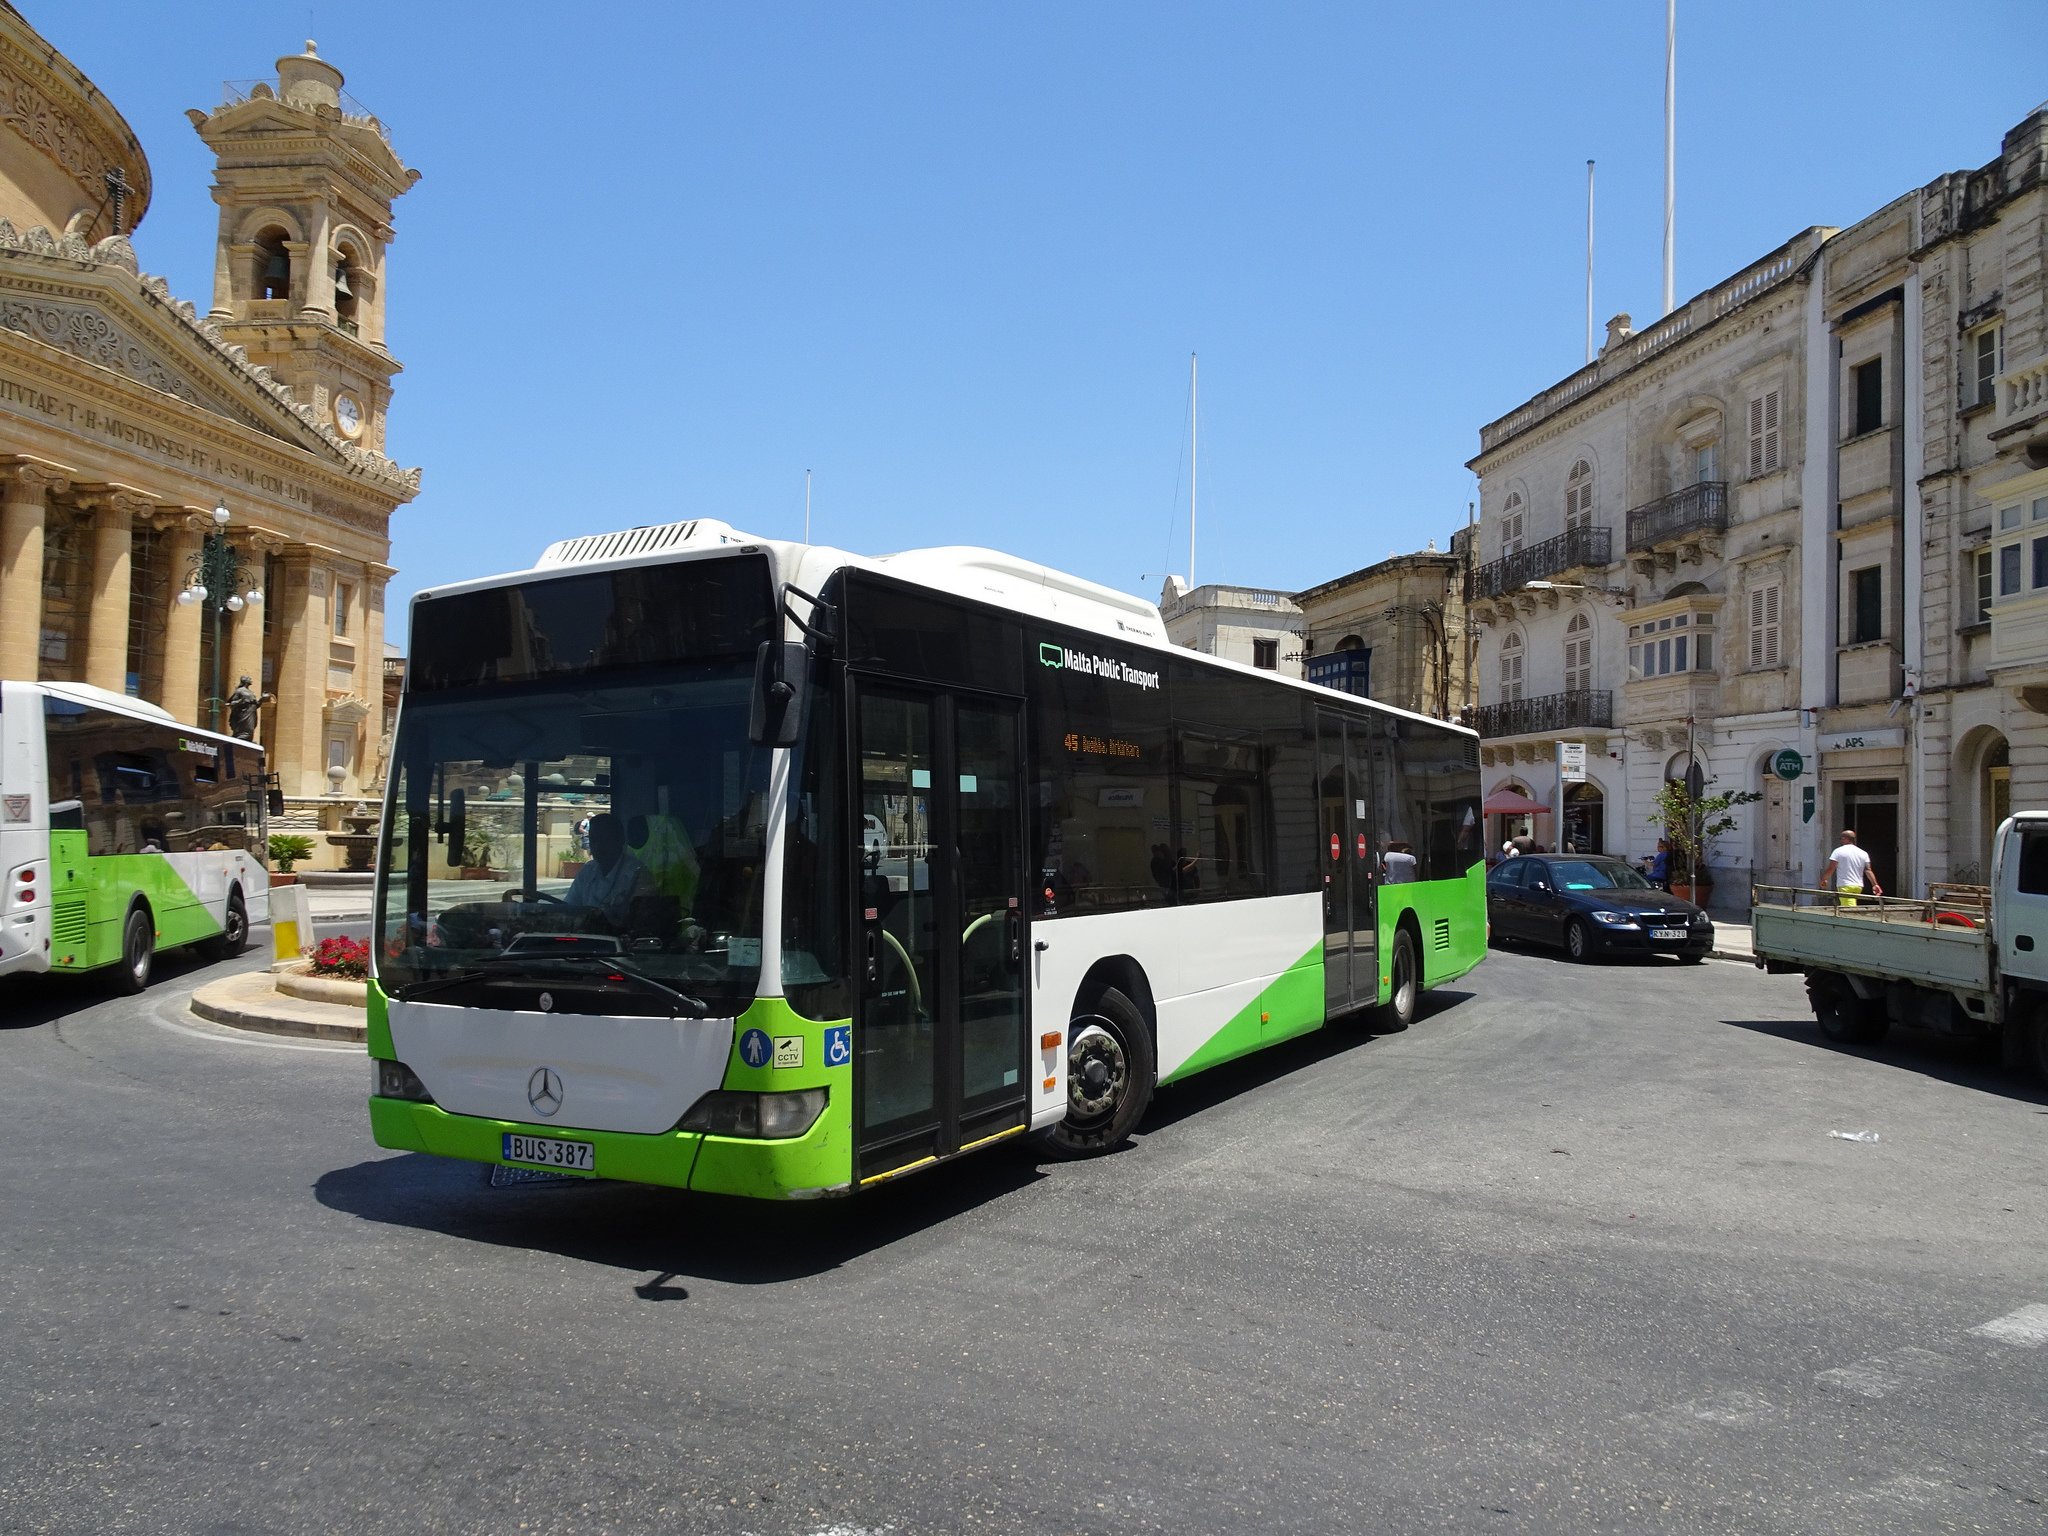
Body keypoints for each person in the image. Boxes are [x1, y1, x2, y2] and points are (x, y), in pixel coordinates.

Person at [564, 812, 652, 926]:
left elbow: (640, 921)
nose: (597, 846)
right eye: (593, 840)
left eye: (604, 839)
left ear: (620, 840)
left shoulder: (637, 873)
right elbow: (569, 908)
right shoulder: (588, 870)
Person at [1826, 828, 1881, 907]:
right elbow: (1868, 870)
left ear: (1845, 838)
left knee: (1848, 908)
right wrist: (1875, 884)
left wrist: (1824, 879)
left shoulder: (1838, 851)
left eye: (1841, 838)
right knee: (1849, 905)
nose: (1840, 840)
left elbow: (1831, 868)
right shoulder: (1863, 853)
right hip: (1858, 886)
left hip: (1845, 885)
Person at [225, 675, 274, 742]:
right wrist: (241, 701)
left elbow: (256, 705)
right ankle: (240, 742)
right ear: (245, 681)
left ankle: (246, 742)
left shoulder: (250, 692)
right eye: (249, 679)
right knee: (244, 731)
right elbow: (231, 703)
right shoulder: (239, 691)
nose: (251, 680)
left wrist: (262, 699)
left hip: (251, 713)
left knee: (250, 730)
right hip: (243, 713)